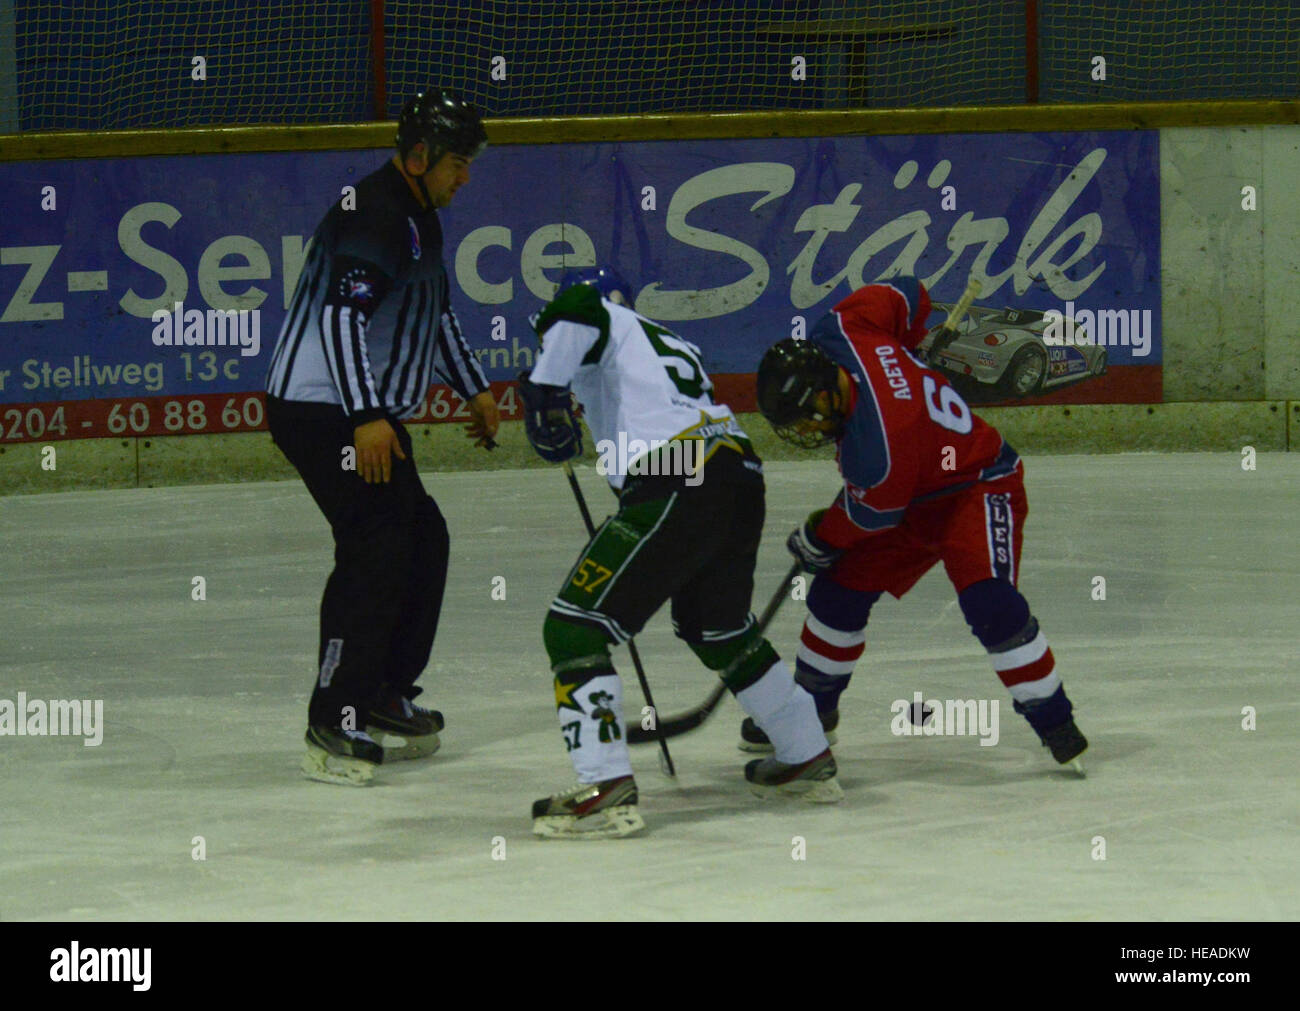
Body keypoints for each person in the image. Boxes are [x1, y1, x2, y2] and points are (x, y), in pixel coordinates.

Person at [519, 267, 841, 838]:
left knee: (573, 629)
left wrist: (544, 395)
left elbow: (575, 308)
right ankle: (805, 753)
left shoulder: (598, 315)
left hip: (677, 475)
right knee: (718, 629)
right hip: (737, 474)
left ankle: (604, 785)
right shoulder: (662, 340)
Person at [749, 276, 1087, 772]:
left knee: (989, 602)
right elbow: (908, 292)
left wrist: (820, 537)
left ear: (826, 391)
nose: (808, 431)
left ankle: (1057, 723)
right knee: (837, 593)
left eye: (808, 418)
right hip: (912, 491)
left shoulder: (876, 450)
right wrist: (903, 353)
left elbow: (870, 514)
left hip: (976, 483)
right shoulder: (845, 326)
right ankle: (812, 715)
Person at [264, 88, 500, 785]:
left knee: (421, 535)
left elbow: (433, 308)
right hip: (322, 408)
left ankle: (381, 691)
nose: (467, 177)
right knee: (377, 543)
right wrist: (366, 416)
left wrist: (475, 387)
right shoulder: (374, 214)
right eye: (459, 163)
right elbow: (341, 321)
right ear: (420, 156)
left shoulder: (422, 213)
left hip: (356, 406)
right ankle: (334, 717)